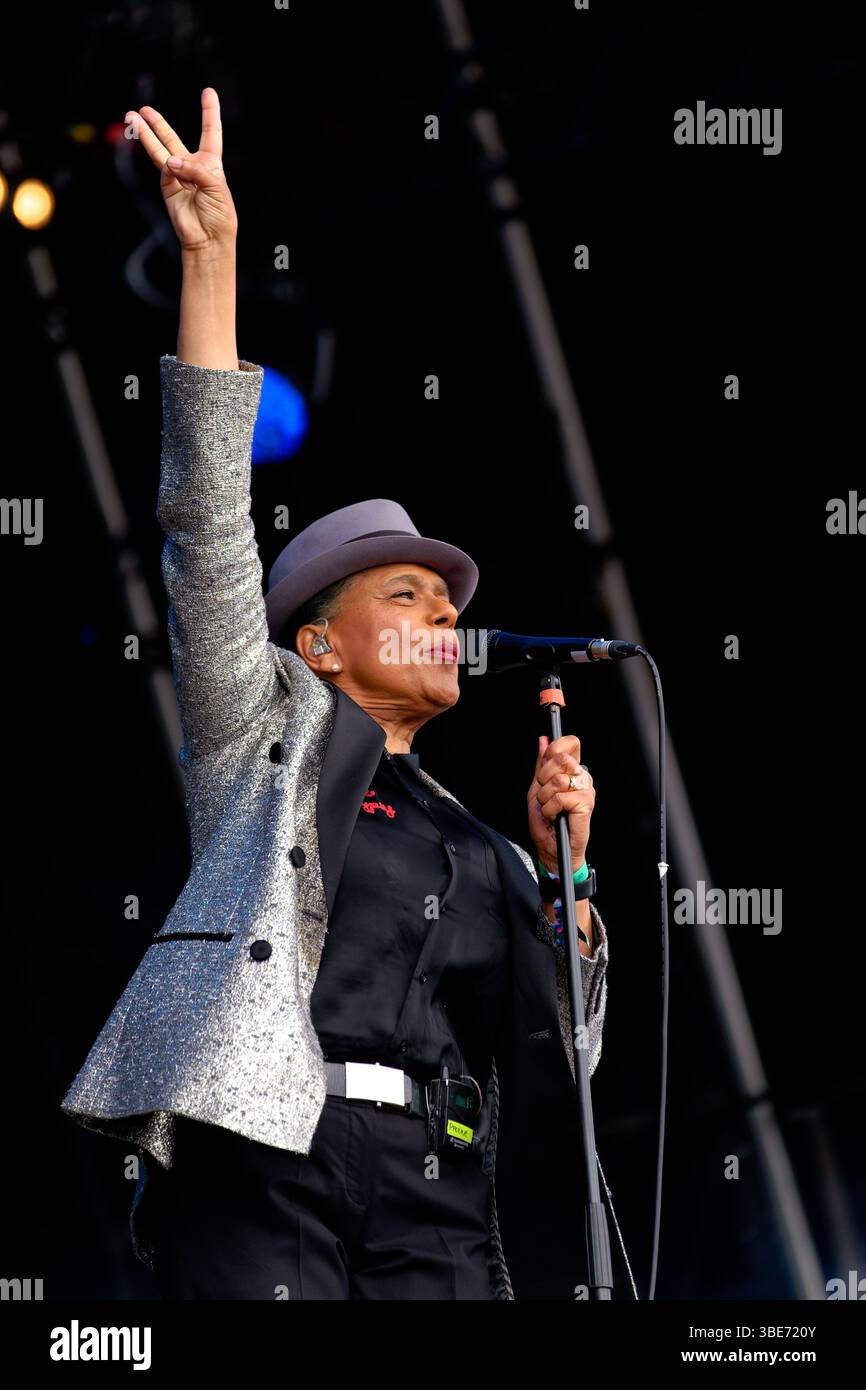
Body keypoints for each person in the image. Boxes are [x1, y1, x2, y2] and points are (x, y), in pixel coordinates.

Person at [61, 87, 623, 1300]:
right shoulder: (258, 733)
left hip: (434, 1180)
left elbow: (564, 1049)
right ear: (316, 643)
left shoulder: (477, 843)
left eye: (447, 601)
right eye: (409, 596)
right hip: (269, 1150)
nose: (445, 621)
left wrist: (563, 874)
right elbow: (206, 519)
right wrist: (209, 259)